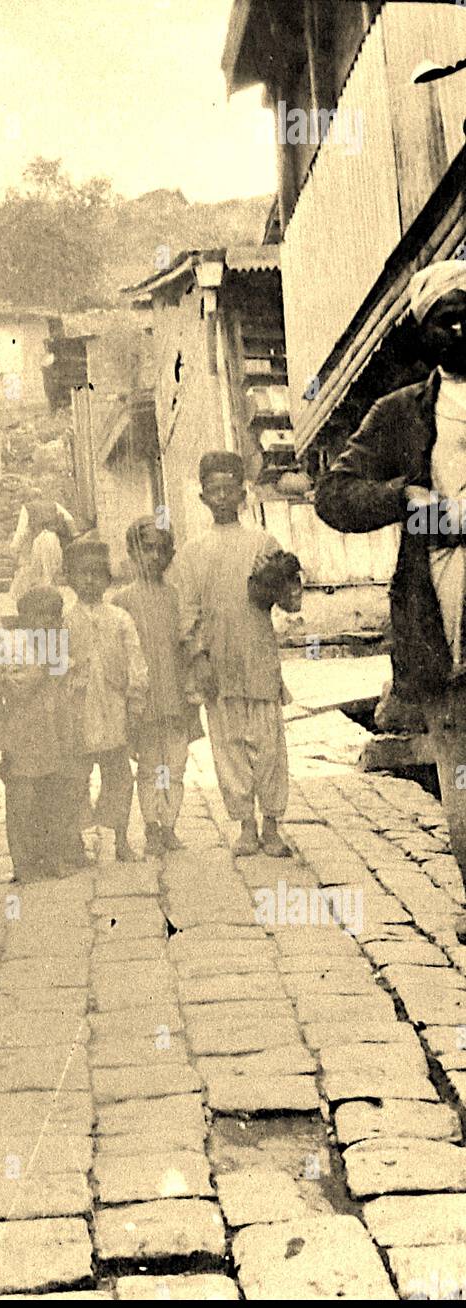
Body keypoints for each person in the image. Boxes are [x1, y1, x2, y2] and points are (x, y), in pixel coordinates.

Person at [315, 259, 466, 900]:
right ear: (422, 330)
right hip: (438, 600)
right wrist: (403, 498)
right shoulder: (401, 412)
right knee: (459, 771)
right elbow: (333, 494)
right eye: (443, 318)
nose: (458, 328)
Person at [174, 451, 297, 858]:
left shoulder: (263, 542)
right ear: (203, 496)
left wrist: (282, 579)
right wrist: (198, 657)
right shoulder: (192, 552)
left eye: (231, 489)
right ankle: (246, 824)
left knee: (269, 746)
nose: (223, 496)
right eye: (215, 490)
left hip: (258, 655)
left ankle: (273, 825)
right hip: (219, 662)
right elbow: (187, 612)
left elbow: (290, 601)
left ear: (243, 493)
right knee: (229, 748)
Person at [112, 516, 204, 857]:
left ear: (170, 555)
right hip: (145, 699)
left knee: (174, 766)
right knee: (150, 766)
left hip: (175, 695)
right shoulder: (122, 601)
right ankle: (151, 825)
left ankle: (169, 825)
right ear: (133, 553)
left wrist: (191, 691)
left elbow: (186, 644)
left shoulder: (175, 597)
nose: (154, 557)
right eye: (146, 549)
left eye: (161, 550)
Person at [64, 536, 148, 862]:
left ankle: (121, 838)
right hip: (79, 710)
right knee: (77, 778)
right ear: (69, 578)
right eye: (82, 573)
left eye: (97, 574)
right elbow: (57, 664)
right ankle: (81, 842)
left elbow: (135, 661)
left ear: (107, 578)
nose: (89, 580)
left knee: (120, 777)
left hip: (113, 707)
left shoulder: (120, 618)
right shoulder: (65, 621)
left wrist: (135, 700)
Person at [0, 585, 73, 881]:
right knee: (21, 800)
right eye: (40, 615)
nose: (48, 622)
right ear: (24, 617)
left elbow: (65, 687)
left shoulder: (57, 645)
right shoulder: (13, 645)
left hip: (51, 731)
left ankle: (52, 856)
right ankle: (22, 862)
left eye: (54, 616)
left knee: (52, 798)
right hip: (21, 733)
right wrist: (43, 668)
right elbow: (14, 687)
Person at [9, 499, 72, 603]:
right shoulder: (54, 505)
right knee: (51, 571)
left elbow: (22, 532)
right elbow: (69, 519)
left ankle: (41, 598)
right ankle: (51, 597)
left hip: (39, 541)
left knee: (37, 572)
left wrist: (15, 547)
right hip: (54, 540)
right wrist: (73, 536)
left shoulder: (27, 507)